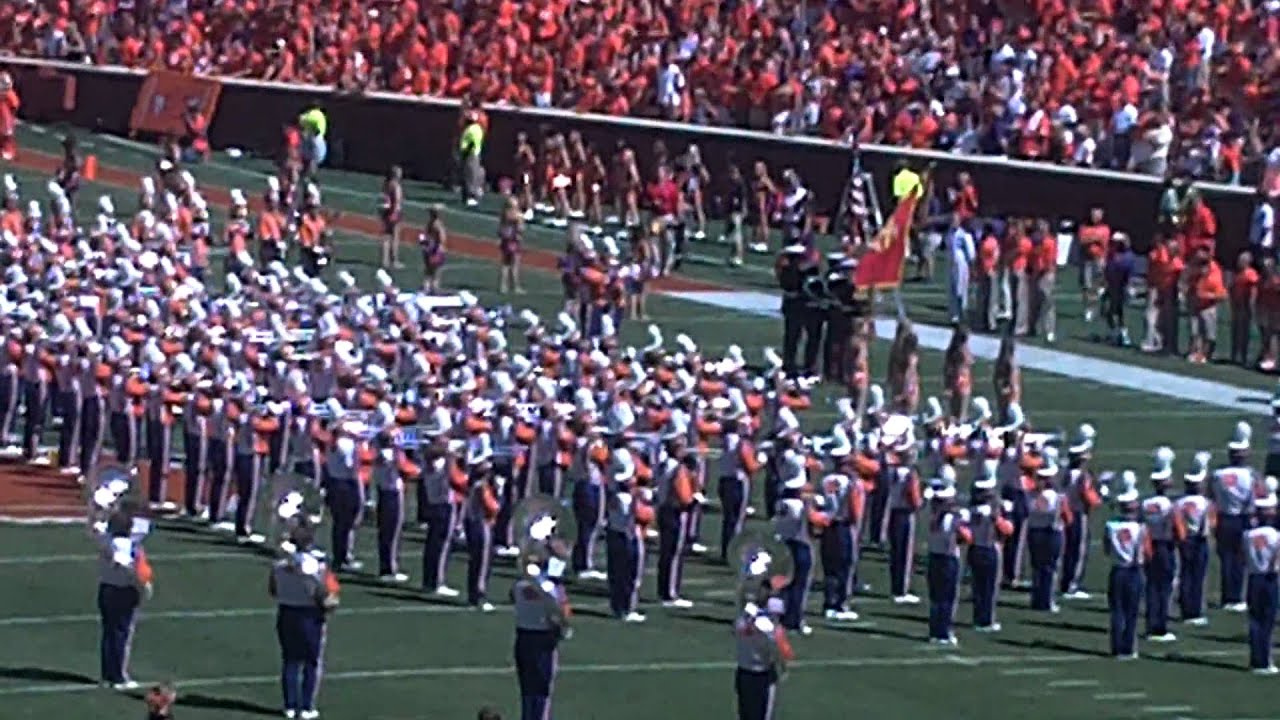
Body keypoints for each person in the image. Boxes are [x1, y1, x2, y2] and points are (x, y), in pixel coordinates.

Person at [270, 522, 340, 720]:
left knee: (290, 661)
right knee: (311, 662)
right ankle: (307, 706)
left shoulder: (279, 565)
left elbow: (273, 591)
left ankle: (289, 705)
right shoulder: (317, 567)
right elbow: (326, 595)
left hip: (286, 613)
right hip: (310, 616)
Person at [95, 504, 153, 690]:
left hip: (105, 589)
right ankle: (119, 676)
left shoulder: (105, 539)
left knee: (109, 633)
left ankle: (107, 674)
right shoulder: (123, 545)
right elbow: (125, 565)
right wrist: (142, 584)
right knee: (122, 634)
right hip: (123, 591)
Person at [1103, 472, 1149, 660]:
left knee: (1117, 611)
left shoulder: (1110, 525)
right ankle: (1128, 648)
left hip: (1117, 570)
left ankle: (1116, 646)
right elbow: (1145, 552)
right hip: (1133, 570)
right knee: (1132, 613)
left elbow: (1106, 549)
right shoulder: (1140, 528)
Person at [925, 466, 971, 644]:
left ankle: (935, 630)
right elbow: (965, 537)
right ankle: (943, 631)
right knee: (947, 597)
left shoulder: (933, 512)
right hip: (948, 557)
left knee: (936, 597)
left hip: (933, 555)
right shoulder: (953, 515)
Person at [1141, 447, 1183, 642]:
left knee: (1151, 586)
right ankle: (1161, 626)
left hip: (1150, 546)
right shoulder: (1170, 506)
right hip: (1166, 546)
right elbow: (1179, 530)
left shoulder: (1145, 503)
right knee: (1165, 588)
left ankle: (1151, 623)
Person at [1215, 422, 1256, 613]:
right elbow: (1255, 498)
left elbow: (1210, 496)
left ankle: (1226, 596)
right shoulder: (1250, 475)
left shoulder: (1218, 474)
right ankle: (1236, 596)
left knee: (1226, 559)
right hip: (1242, 518)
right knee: (1239, 559)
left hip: (1223, 518)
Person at [968, 459, 1012, 631]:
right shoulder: (994, 507)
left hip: (975, 548)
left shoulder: (972, 503)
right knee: (989, 587)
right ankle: (985, 620)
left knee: (978, 586)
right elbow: (1007, 529)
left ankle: (978, 616)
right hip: (989, 547)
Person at [734, 594, 793, 720]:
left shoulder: (744, 622)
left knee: (744, 714)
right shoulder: (771, 632)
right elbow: (781, 654)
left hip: (743, 672)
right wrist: (783, 668)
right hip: (762, 676)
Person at [1025, 447, 1069, 612]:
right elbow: (1067, 517)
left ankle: (1036, 598)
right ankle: (1046, 600)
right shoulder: (1056, 497)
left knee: (1037, 567)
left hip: (1034, 531)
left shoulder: (1031, 494)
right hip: (1051, 532)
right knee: (1050, 568)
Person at [1060, 426, 1102, 600]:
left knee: (1069, 549)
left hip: (1067, 512)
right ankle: (1072, 585)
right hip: (1078, 514)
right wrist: (1100, 498)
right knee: (1077, 550)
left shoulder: (1067, 473)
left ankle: (1066, 582)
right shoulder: (1082, 476)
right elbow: (1088, 496)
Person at [1244, 477, 1280, 674]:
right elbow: (1276, 562)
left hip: (1253, 577)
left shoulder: (1247, 535)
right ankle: (1264, 661)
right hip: (1269, 579)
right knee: (1267, 621)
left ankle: (1255, 659)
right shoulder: (1276, 536)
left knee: (1255, 620)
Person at [1175, 452, 1213, 625]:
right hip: (1199, 541)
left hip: (1184, 541)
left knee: (1185, 574)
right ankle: (1195, 611)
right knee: (1198, 577)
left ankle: (1184, 607)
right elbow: (1208, 525)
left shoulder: (1179, 502)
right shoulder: (1205, 503)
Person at [1188, 248, 1227, 363]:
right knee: (1195, 331)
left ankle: (1206, 354)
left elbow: (1222, 295)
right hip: (1195, 304)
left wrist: (1206, 296)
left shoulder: (1215, 275)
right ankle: (1195, 352)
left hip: (1208, 306)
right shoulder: (1195, 270)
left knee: (1209, 333)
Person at [1078, 206, 1111, 326]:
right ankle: (1088, 308)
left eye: (1097, 215)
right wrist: (1094, 238)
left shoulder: (1105, 228)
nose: (1095, 217)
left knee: (1097, 285)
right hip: (1087, 259)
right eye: (1093, 215)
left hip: (1099, 259)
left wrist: (1091, 238)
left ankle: (1097, 308)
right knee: (1086, 286)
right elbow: (1082, 240)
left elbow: (1103, 241)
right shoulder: (1084, 227)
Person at [1102, 233, 1135, 346]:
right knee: (1108, 310)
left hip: (1122, 286)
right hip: (1111, 285)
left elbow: (1126, 273)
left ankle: (1124, 335)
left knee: (1122, 312)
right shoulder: (1111, 255)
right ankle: (1114, 333)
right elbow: (1107, 270)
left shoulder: (1127, 256)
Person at [1029, 220, 1058, 342]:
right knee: (1034, 303)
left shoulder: (1050, 242)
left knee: (1048, 302)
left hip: (1046, 274)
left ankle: (1049, 330)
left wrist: (1043, 270)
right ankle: (1033, 327)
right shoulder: (1035, 241)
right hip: (1036, 273)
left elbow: (1049, 260)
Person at [1230, 251, 1260, 366]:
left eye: (1241, 260)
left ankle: (1244, 356)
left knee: (1244, 332)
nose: (1239, 262)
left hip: (1245, 307)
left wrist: (1250, 305)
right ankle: (1234, 355)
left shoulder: (1250, 273)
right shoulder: (1238, 274)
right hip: (1237, 306)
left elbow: (1253, 290)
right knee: (1235, 331)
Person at [946, 215, 975, 325]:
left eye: (954, 220)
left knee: (960, 289)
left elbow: (970, 252)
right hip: (951, 263)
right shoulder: (949, 233)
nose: (952, 222)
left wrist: (970, 265)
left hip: (961, 264)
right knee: (951, 289)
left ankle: (962, 312)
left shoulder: (964, 235)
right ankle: (954, 315)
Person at [498, 196, 525, 294]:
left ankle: (503, 286)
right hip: (513, 240)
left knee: (505, 264)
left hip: (505, 239)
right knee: (514, 264)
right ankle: (515, 286)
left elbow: (500, 229)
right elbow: (520, 229)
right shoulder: (516, 216)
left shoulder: (504, 214)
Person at [459, 110, 486, 206]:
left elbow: (471, 143)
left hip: (470, 154)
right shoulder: (478, 128)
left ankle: (471, 196)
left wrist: (465, 152)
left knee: (469, 175)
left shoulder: (471, 129)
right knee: (473, 174)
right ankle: (471, 194)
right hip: (475, 153)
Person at [379, 166, 404, 269]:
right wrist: (395, 213)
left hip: (386, 212)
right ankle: (394, 260)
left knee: (386, 237)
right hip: (393, 213)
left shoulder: (386, 184)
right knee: (394, 237)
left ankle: (384, 260)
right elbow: (397, 201)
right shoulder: (396, 186)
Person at [420, 205, 447, 293]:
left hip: (429, 250)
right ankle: (434, 290)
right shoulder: (438, 225)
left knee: (428, 273)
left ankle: (426, 289)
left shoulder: (429, 224)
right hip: (437, 251)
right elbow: (442, 239)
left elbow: (424, 237)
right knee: (436, 274)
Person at [297, 105, 327, 177]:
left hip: (306, 136)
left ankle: (304, 173)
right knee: (314, 158)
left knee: (306, 157)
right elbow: (317, 129)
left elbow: (301, 122)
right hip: (316, 137)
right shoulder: (319, 115)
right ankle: (311, 175)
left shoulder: (305, 115)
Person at [0, 71, 19, 161]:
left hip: (5, 116)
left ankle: (8, 150)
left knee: (7, 133)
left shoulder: (11, 96)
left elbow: (14, 107)